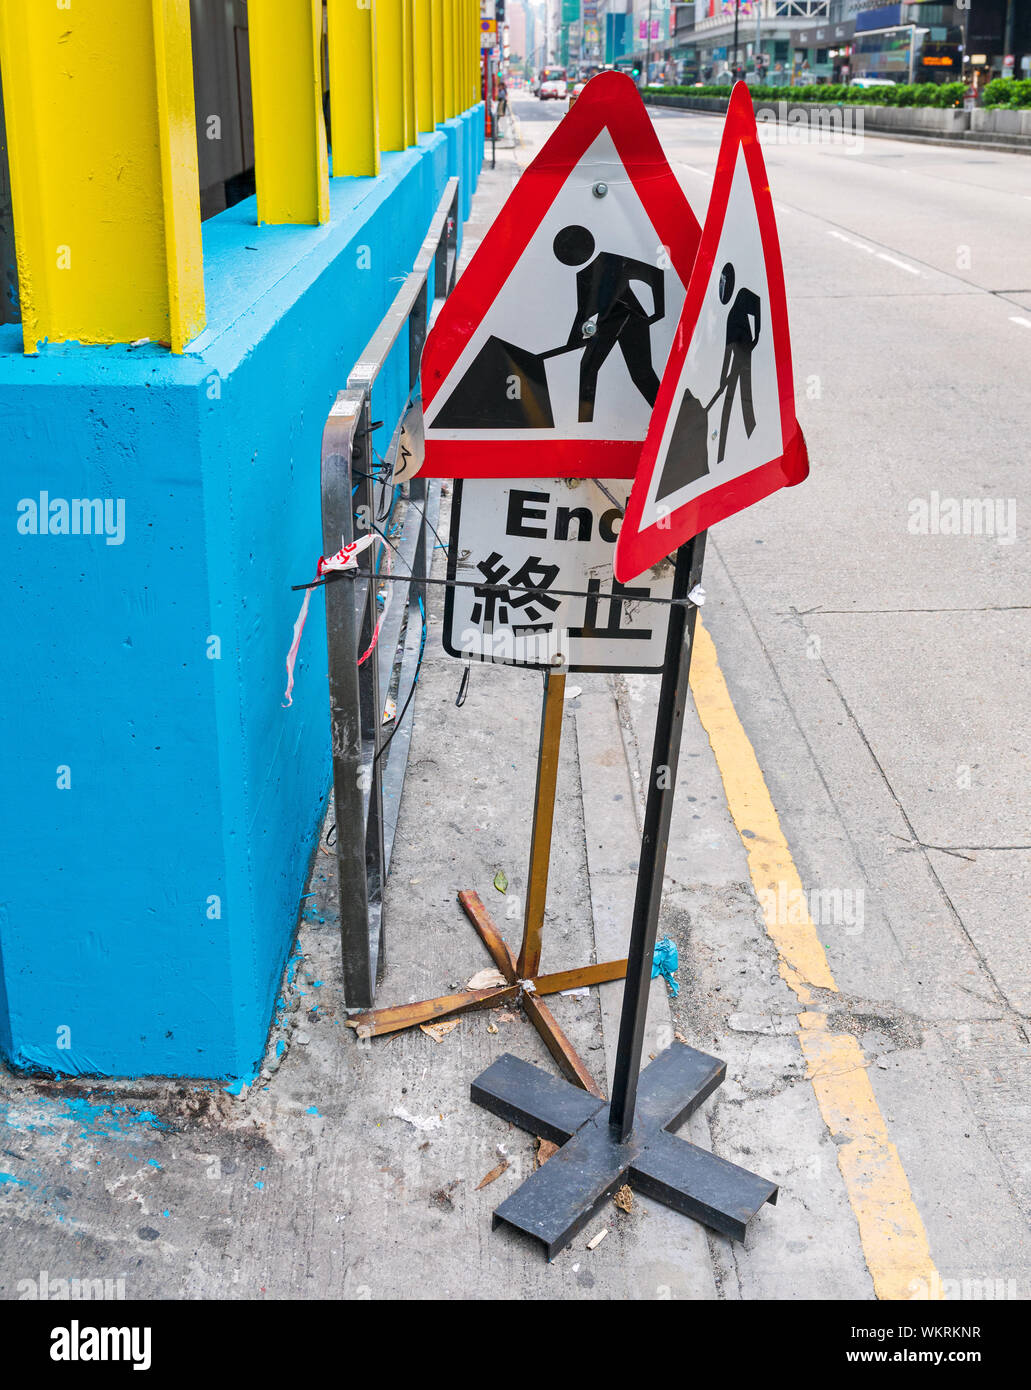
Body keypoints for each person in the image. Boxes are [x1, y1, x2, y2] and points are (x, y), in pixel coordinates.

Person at [551, 224, 665, 423]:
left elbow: (655, 274)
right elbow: (584, 312)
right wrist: (573, 342)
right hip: (608, 323)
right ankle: (583, 424)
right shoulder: (583, 275)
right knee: (588, 369)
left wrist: (659, 312)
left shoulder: (611, 259)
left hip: (632, 320)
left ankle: (665, 419)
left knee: (641, 374)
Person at [715, 261, 760, 464]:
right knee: (732, 400)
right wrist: (723, 379)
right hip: (739, 353)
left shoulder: (742, 296)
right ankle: (723, 452)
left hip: (746, 352)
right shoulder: (729, 315)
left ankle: (752, 440)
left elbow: (757, 304)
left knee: (745, 396)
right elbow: (726, 352)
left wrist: (756, 339)